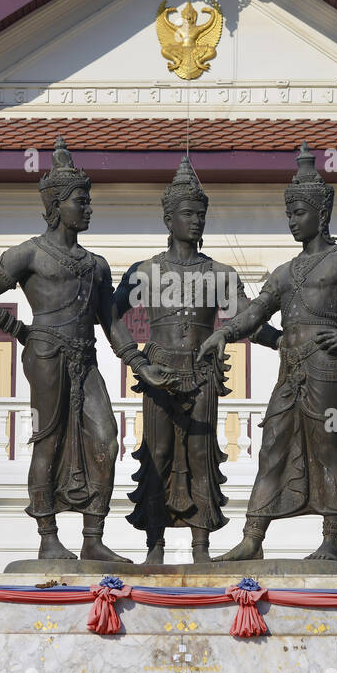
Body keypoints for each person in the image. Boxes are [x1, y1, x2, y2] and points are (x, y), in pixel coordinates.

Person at [0, 138, 171, 562]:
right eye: (81, 201)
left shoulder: (96, 265)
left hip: (85, 357)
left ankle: (93, 537)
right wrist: (20, 331)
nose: (89, 208)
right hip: (46, 356)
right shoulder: (27, 254)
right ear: (57, 205)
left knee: (106, 437)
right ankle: (48, 536)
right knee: (49, 439)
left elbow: (110, 322)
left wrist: (138, 363)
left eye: (89, 201)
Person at [198, 142, 337, 562]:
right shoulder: (284, 273)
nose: (292, 221)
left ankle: (331, 539)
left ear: (321, 214)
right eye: (289, 213)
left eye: (299, 213)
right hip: (289, 369)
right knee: (271, 444)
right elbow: (255, 314)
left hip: (326, 366)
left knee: (326, 445)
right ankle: (253, 538)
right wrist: (225, 333)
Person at [114, 156, 281, 564]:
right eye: (188, 214)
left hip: (202, 370)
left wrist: (283, 340)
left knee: (201, 453)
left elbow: (247, 320)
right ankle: (154, 546)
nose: (196, 221)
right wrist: (134, 359)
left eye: (200, 214)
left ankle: (201, 547)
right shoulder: (145, 271)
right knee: (158, 452)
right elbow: (108, 315)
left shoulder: (221, 274)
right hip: (158, 368)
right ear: (169, 218)